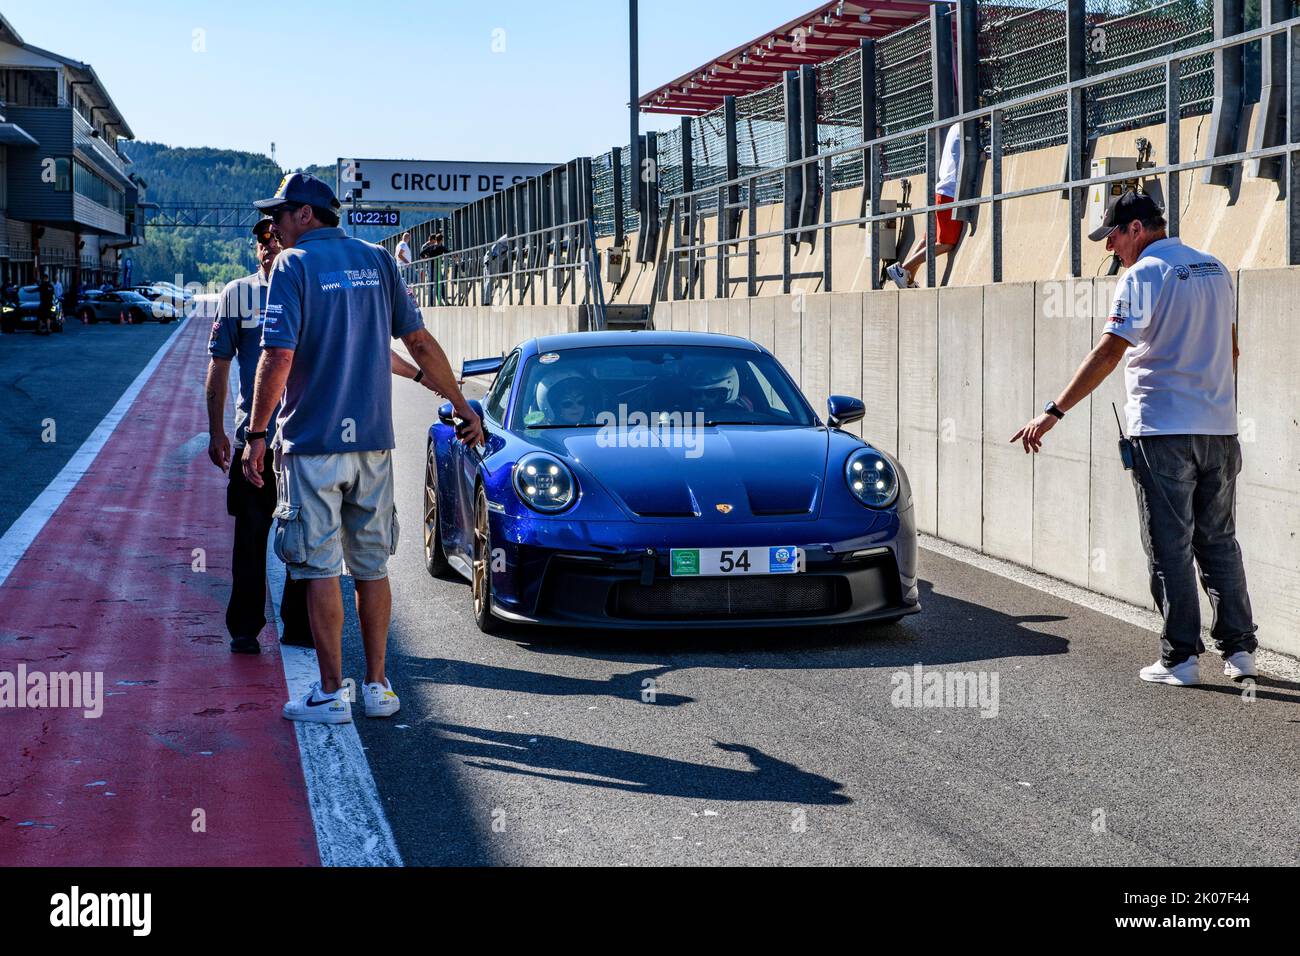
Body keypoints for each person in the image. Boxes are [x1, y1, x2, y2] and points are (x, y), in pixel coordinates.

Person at [241, 173, 484, 725]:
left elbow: (276, 357)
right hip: (373, 443)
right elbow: (416, 342)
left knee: (320, 567)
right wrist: (461, 402)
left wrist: (256, 435)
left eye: (280, 214)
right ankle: (376, 686)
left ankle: (332, 693)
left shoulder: (292, 266)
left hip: (312, 443)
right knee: (372, 567)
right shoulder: (377, 260)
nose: (274, 226)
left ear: (307, 215)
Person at [1010, 190, 1257, 687]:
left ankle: (1180, 658)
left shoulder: (1143, 274)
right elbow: (1232, 348)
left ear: (1138, 229)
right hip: (1219, 429)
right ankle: (1240, 653)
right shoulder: (1214, 268)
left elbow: (1109, 353)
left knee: (1169, 545)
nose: (1111, 248)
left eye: (1114, 236)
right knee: (1219, 540)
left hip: (1163, 431)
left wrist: (1053, 411)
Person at [205, 218, 313, 654]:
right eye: (261, 242)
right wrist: (217, 431)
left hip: (302, 438)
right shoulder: (238, 294)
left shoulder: (308, 288)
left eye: (274, 239)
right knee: (250, 536)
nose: (267, 247)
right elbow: (219, 364)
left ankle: (300, 624)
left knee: (303, 537)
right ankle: (245, 627)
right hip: (255, 438)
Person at [888, 123, 964, 290]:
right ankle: (903, 269)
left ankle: (908, 279)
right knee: (946, 243)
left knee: (930, 238)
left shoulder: (955, 127)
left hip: (942, 189)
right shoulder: (967, 127)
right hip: (951, 192)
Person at [36, 271, 55, 335]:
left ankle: (39, 329)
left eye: (42, 278)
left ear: (44, 278)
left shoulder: (43, 285)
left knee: (40, 316)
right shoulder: (51, 286)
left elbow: (37, 289)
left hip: (44, 303)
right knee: (48, 316)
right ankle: (48, 329)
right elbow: (53, 294)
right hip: (49, 303)